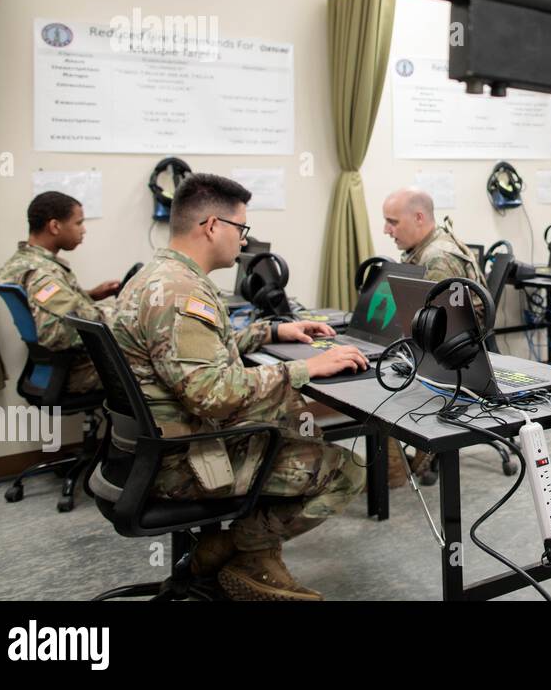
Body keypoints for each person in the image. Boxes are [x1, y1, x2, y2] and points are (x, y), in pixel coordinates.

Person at [112, 173, 368, 600]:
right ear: (212, 226)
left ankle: (252, 559)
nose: (244, 243)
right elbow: (213, 394)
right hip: (182, 465)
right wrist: (309, 370)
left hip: (149, 450)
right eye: (241, 229)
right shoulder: (180, 292)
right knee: (345, 470)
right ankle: (228, 551)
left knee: (293, 423)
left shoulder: (159, 276)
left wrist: (271, 333)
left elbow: (195, 352)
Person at [382, 186, 485, 485]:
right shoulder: (425, 249)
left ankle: (396, 471)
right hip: (441, 346)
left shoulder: (436, 258)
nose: (386, 230)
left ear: (418, 218)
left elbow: (438, 327)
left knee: (376, 381)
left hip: (452, 354)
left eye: (392, 222)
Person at [0, 191, 120, 393]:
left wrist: (91, 296)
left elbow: (49, 305)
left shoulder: (24, 261)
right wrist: (122, 316)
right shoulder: (42, 274)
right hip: (78, 371)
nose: (84, 230)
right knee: (154, 363)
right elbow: (55, 333)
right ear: (55, 226)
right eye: (78, 223)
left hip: (62, 368)